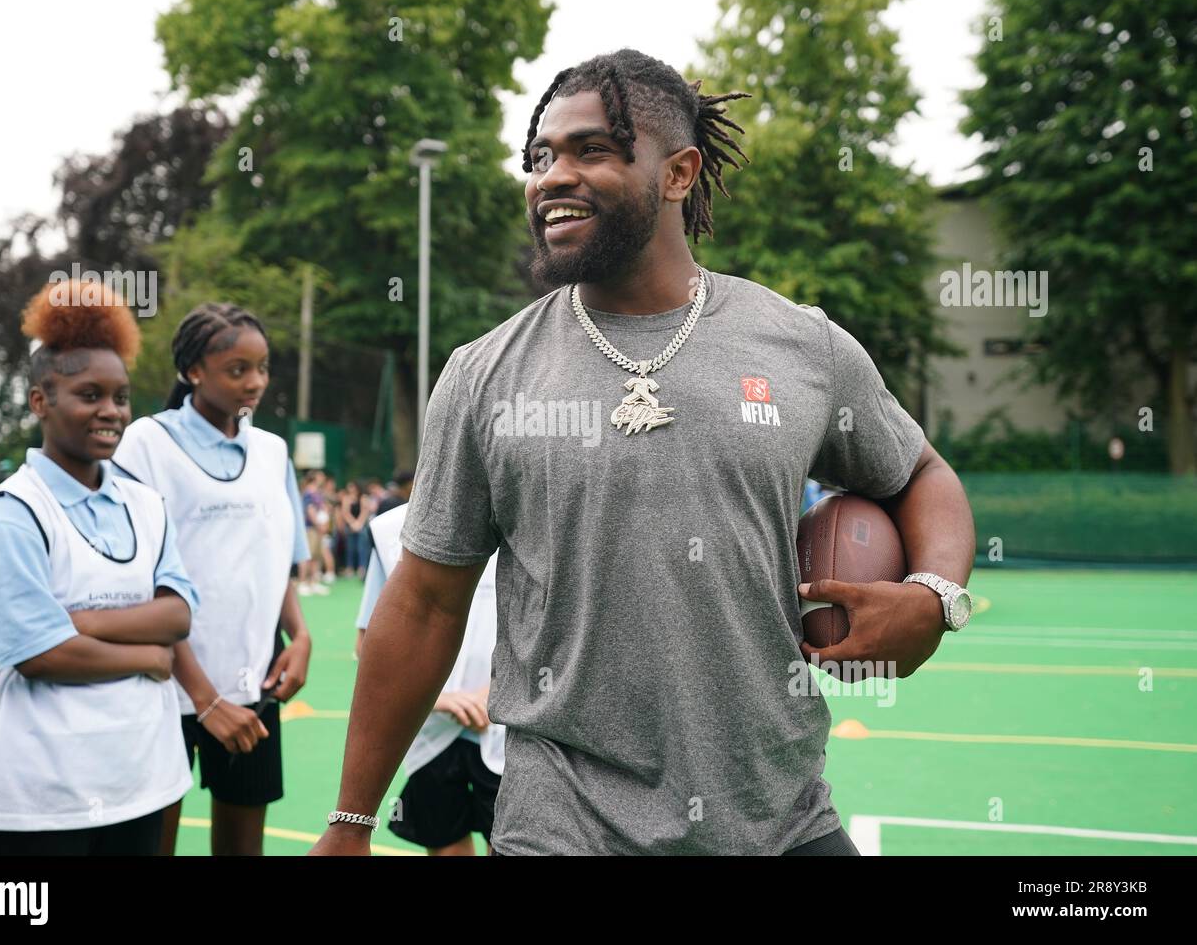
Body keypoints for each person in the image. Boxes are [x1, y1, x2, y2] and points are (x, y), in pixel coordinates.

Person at [311, 49, 975, 857]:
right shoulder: (483, 375)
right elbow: (423, 606)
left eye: (591, 150)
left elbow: (919, 474)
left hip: (781, 824)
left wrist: (936, 596)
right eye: (539, 158)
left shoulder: (802, 346)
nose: (552, 176)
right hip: (564, 831)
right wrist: (350, 822)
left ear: (678, 172)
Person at [0, 280, 198, 855]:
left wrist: (76, 621)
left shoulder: (146, 504)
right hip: (33, 806)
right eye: (89, 395)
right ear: (41, 402)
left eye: (121, 396)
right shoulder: (13, 513)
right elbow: (38, 656)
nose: (111, 411)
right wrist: (146, 656)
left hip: (139, 785)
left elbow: (178, 615)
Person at [112, 302, 312, 856]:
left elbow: (277, 560)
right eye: (237, 369)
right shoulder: (145, 444)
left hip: (254, 679)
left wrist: (301, 637)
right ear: (194, 371)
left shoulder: (272, 451)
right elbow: (139, 584)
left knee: (242, 849)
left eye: (263, 368)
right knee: (152, 844)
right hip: (166, 683)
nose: (255, 382)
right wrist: (202, 698)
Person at [356, 503, 503, 855]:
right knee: (443, 840)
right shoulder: (391, 529)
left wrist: (497, 690)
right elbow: (369, 644)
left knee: (511, 844)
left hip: (506, 729)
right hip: (429, 729)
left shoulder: (522, 516)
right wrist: (435, 699)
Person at [337, 480, 371, 578]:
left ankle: (362, 568)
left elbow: (365, 512)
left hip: (361, 526)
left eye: (352, 487)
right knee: (350, 548)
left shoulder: (363, 498)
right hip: (350, 526)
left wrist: (359, 524)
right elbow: (345, 512)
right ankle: (350, 568)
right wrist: (353, 523)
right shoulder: (346, 498)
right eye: (349, 487)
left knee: (362, 547)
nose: (351, 489)